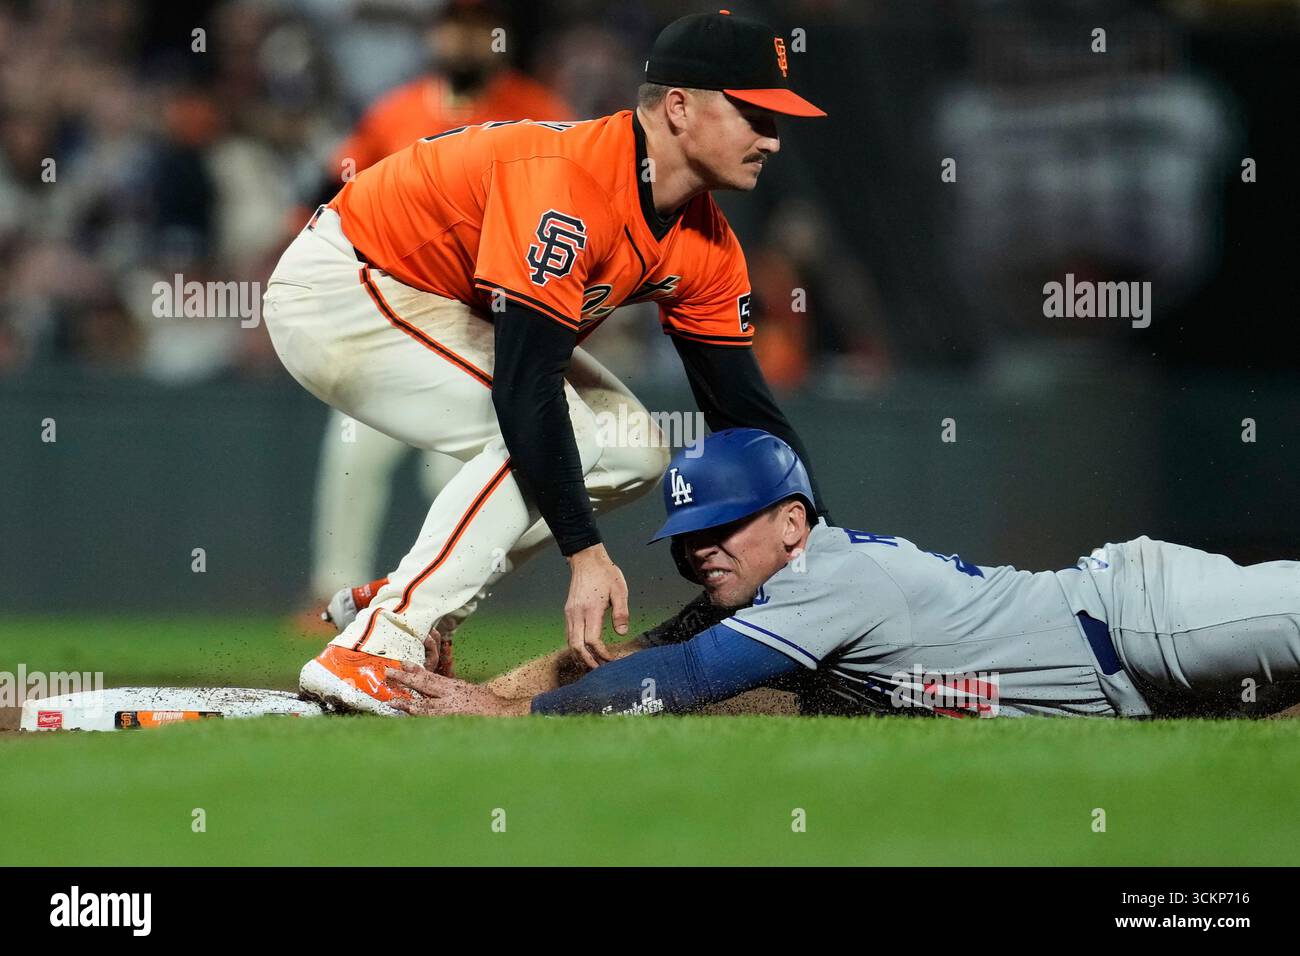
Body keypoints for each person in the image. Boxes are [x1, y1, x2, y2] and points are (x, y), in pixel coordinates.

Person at [262, 11, 831, 714]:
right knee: (572, 433)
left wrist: (831, 551)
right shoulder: (571, 181)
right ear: (679, 107)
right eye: (753, 113)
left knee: (635, 452)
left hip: (440, 304)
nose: (772, 137)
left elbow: (745, 412)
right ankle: (379, 641)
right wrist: (585, 554)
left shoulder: (705, 244)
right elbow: (525, 388)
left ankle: (412, 593)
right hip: (343, 286)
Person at [385, 428, 1300, 720]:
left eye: (724, 527)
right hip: (1140, 679)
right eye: (689, 535)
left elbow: (685, 677)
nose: (702, 548)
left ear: (792, 523)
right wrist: (489, 699)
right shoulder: (776, 587)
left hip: (1144, 621)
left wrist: (513, 717)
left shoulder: (830, 578)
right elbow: (636, 656)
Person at [297, 0, 572, 629]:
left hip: (485, 327)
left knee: (448, 475)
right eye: (453, 26)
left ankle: (422, 597)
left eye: (477, 27)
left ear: (498, 38)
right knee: (350, 456)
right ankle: (329, 593)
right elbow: (329, 193)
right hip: (395, 317)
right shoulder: (394, 111)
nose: (463, 39)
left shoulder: (541, 112)